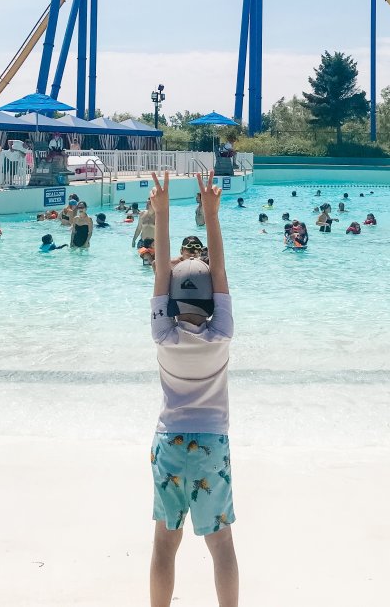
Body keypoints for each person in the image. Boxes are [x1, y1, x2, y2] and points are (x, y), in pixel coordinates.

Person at [148, 171, 238, 606]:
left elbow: (160, 273)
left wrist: (162, 213)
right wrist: (212, 215)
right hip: (211, 445)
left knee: (165, 543)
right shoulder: (221, 333)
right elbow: (219, 270)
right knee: (221, 546)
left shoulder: (163, 334)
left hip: (169, 442)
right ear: (211, 301)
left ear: (169, 301)